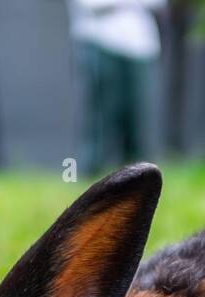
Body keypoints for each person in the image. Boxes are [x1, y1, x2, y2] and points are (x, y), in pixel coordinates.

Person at [68, 0, 164, 173]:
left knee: (136, 114)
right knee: (102, 116)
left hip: (140, 45)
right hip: (100, 40)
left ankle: (139, 176)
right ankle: (91, 171)